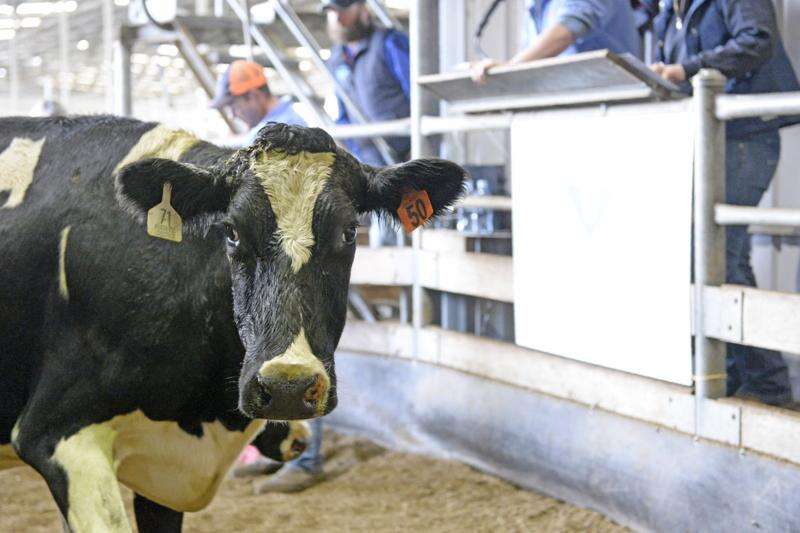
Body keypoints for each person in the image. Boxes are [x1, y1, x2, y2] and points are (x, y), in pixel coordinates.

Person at [649, 0, 800, 406]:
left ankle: (753, 381)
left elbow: (757, 39)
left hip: (744, 134)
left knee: (716, 259)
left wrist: (685, 70)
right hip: (708, 136)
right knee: (726, 260)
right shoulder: (667, 11)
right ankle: (759, 381)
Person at [322, 0, 410, 166]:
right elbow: (342, 112)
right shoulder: (336, 59)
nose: (338, 19)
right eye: (332, 12)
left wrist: (418, 148)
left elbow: (417, 94)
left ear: (363, 9)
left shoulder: (389, 42)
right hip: (367, 160)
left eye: (344, 11)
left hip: (405, 154)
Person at [471, 0, 642, 83]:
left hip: (605, 110)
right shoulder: (534, 6)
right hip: (561, 110)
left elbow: (568, 29)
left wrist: (508, 69)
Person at [209, 59, 307, 142]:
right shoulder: (289, 118)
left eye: (233, 106)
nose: (233, 115)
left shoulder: (274, 133)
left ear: (253, 96)